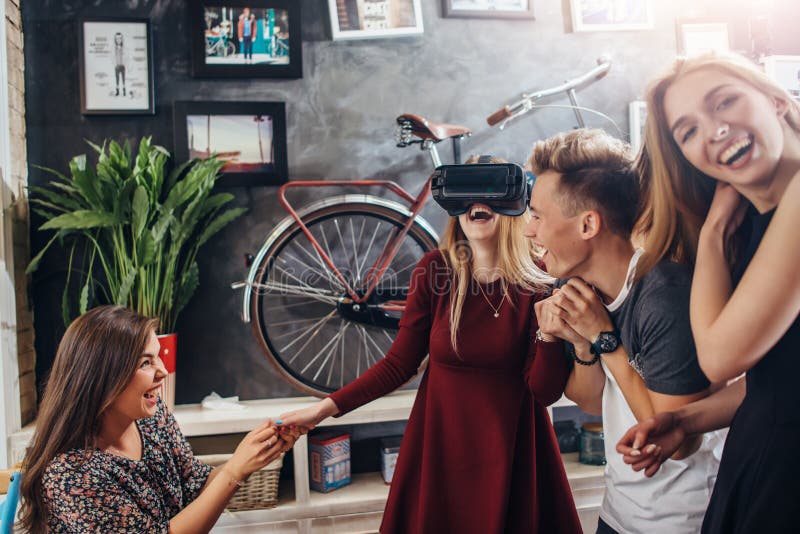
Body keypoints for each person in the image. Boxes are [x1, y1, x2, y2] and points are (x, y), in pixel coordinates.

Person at [277, 157, 582, 534]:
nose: (476, 203)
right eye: (464, 192)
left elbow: (545, 391)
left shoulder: (540, 283)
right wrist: (321, 411)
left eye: (487, 190)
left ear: (513, 204)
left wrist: (549, 335)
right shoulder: (434, 273)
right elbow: (398, 365)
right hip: (440, 450)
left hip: (513, 453)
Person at [615, 51, 800, 533]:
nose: (715, 130)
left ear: (777, 100)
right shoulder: (762, 223)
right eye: (688, 131)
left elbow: (719, 359)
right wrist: (689, 420)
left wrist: (715, 230)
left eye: (725, 102)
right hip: (766, 463)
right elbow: (780, 381)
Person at [525, 128, 723, 534]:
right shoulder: (576, 288)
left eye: (538, 216)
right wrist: (582, 344)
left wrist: (605, 339)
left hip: (680, 522)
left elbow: (676, 441)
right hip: (618, 512)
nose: (529, 230)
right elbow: (591, 402)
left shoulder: (665, 295)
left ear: (588, 225)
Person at [20, 306, 299, 533]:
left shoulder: (152, 418)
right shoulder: (71, 475)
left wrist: (253, 454)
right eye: (146, 363)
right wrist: (234, 471)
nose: (163, 371)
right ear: (103, 378)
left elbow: (195, 485)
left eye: (158, 358)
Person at [113, 32, 126, 97]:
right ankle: (117, 91)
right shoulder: (114, 48)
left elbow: (126, 56)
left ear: (122, 39)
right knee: (117, 79)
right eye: (117, 39)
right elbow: (112, 57)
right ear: (115, 39)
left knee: (123, 79)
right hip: (117, 66)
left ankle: (124, 91)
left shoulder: (124, 48)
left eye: (120, 38)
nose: (118, 40)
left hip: (122, 65)